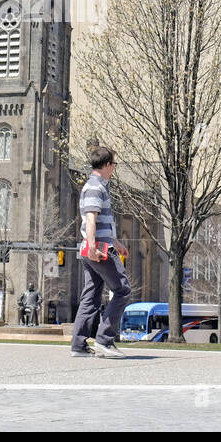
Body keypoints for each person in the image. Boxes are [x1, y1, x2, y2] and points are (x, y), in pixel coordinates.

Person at [70, 147, 131, 359]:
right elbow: (91, 219)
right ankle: (104, 341)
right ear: (106, 165)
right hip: (99, 250)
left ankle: (78, 345)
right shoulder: (96, 187)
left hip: (95, 247)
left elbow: (101, 222)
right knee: (122, 290)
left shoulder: (97, 186)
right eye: (114, 164)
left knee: (91, 295)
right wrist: (94, 245)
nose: (115, 169)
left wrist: (117, 241)